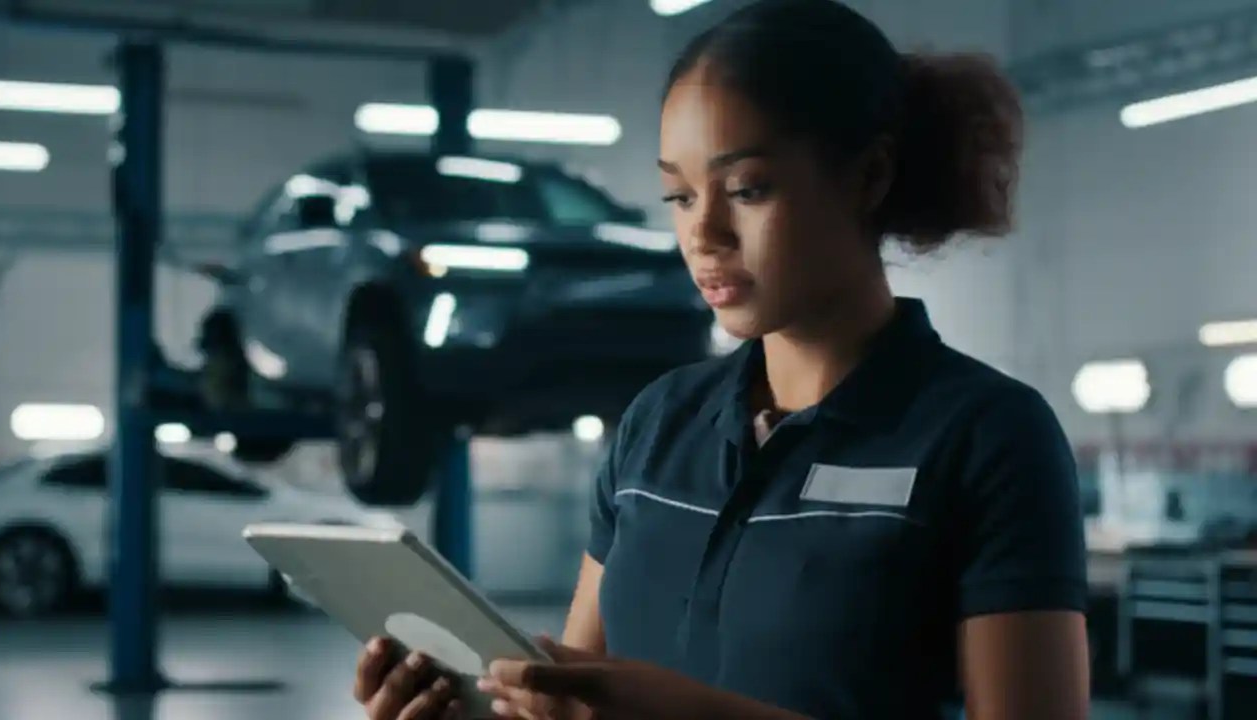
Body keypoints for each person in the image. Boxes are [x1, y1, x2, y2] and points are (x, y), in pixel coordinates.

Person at [353, 0, 1091, 718]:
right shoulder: (656, 425)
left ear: (870, 176)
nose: (704, 233)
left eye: (747, 189)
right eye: (678, 196)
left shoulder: (988, 436)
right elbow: (571, 701)